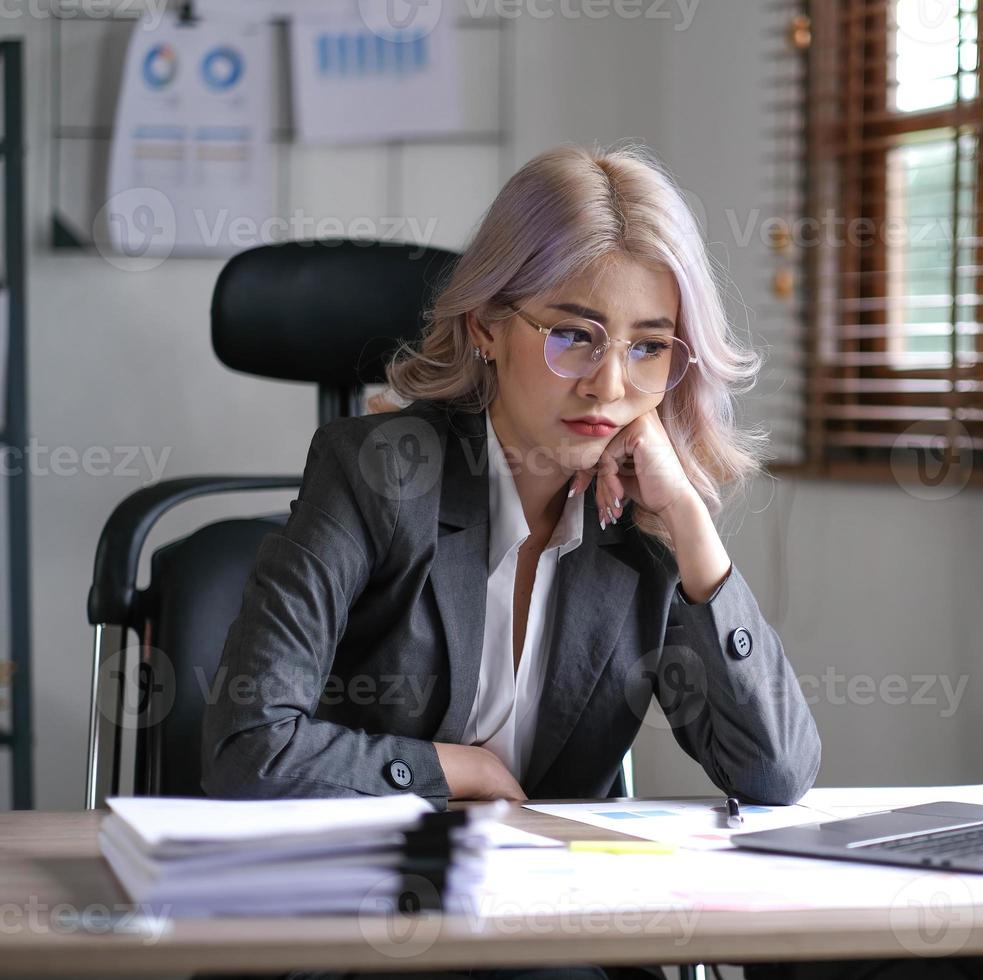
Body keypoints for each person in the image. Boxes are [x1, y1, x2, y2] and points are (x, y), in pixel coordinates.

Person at [201, 143, 820, 980]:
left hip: (552, 929)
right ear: (486, 326)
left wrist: (693, 535)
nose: (609, 385)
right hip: (368, 927)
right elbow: (250, 751)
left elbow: (775, 771)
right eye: (574, 335)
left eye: (649, 347)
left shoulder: (644, 520)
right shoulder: (373, 474)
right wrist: (457, 770)